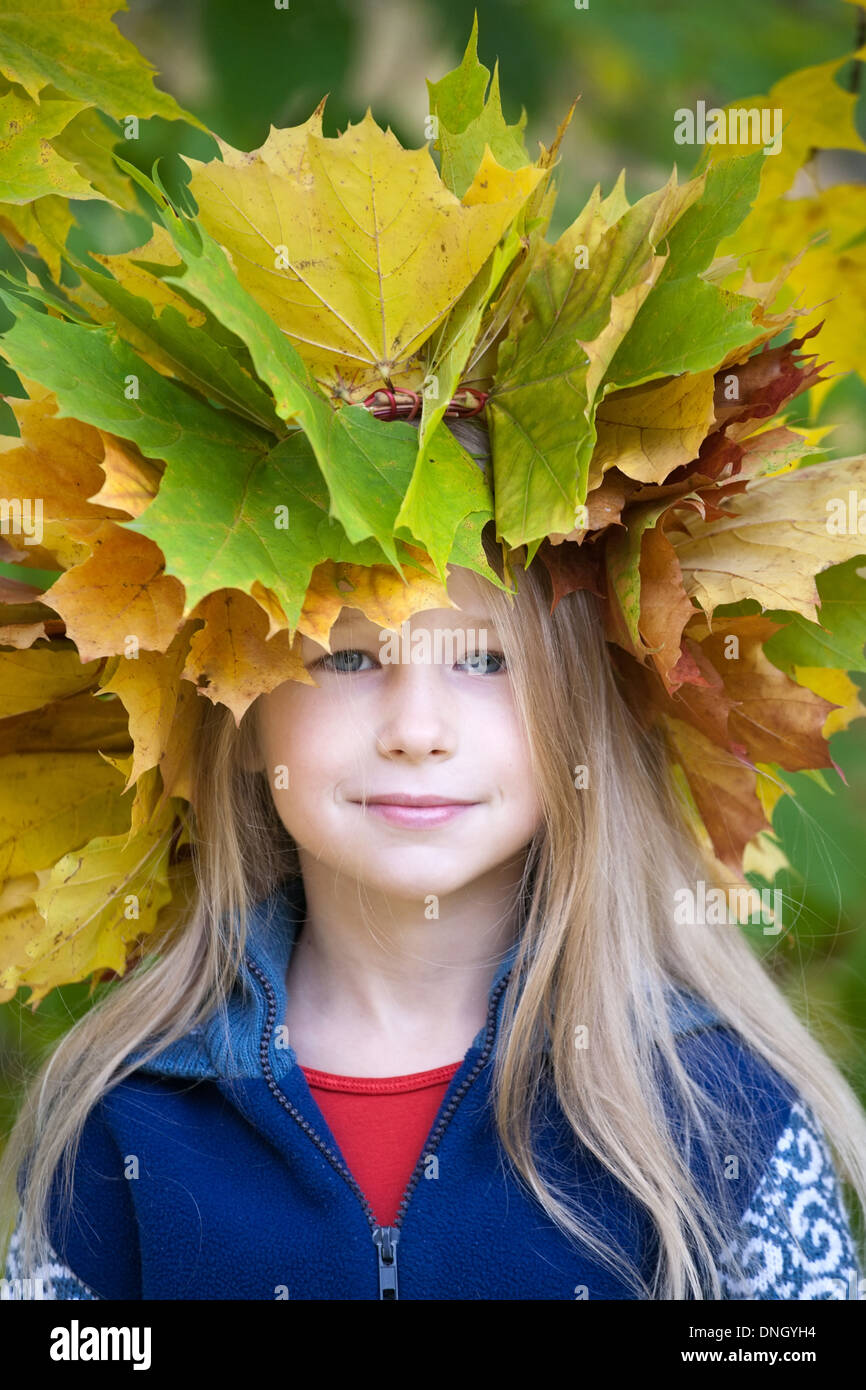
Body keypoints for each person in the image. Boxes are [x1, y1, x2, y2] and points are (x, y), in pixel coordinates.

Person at [2, 441, 865, 1299]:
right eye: (347, 656)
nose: (417, 730)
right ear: (238, 710)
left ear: (582, 714)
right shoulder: (119, 1120)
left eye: (485, 660)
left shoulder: (716, 1111)